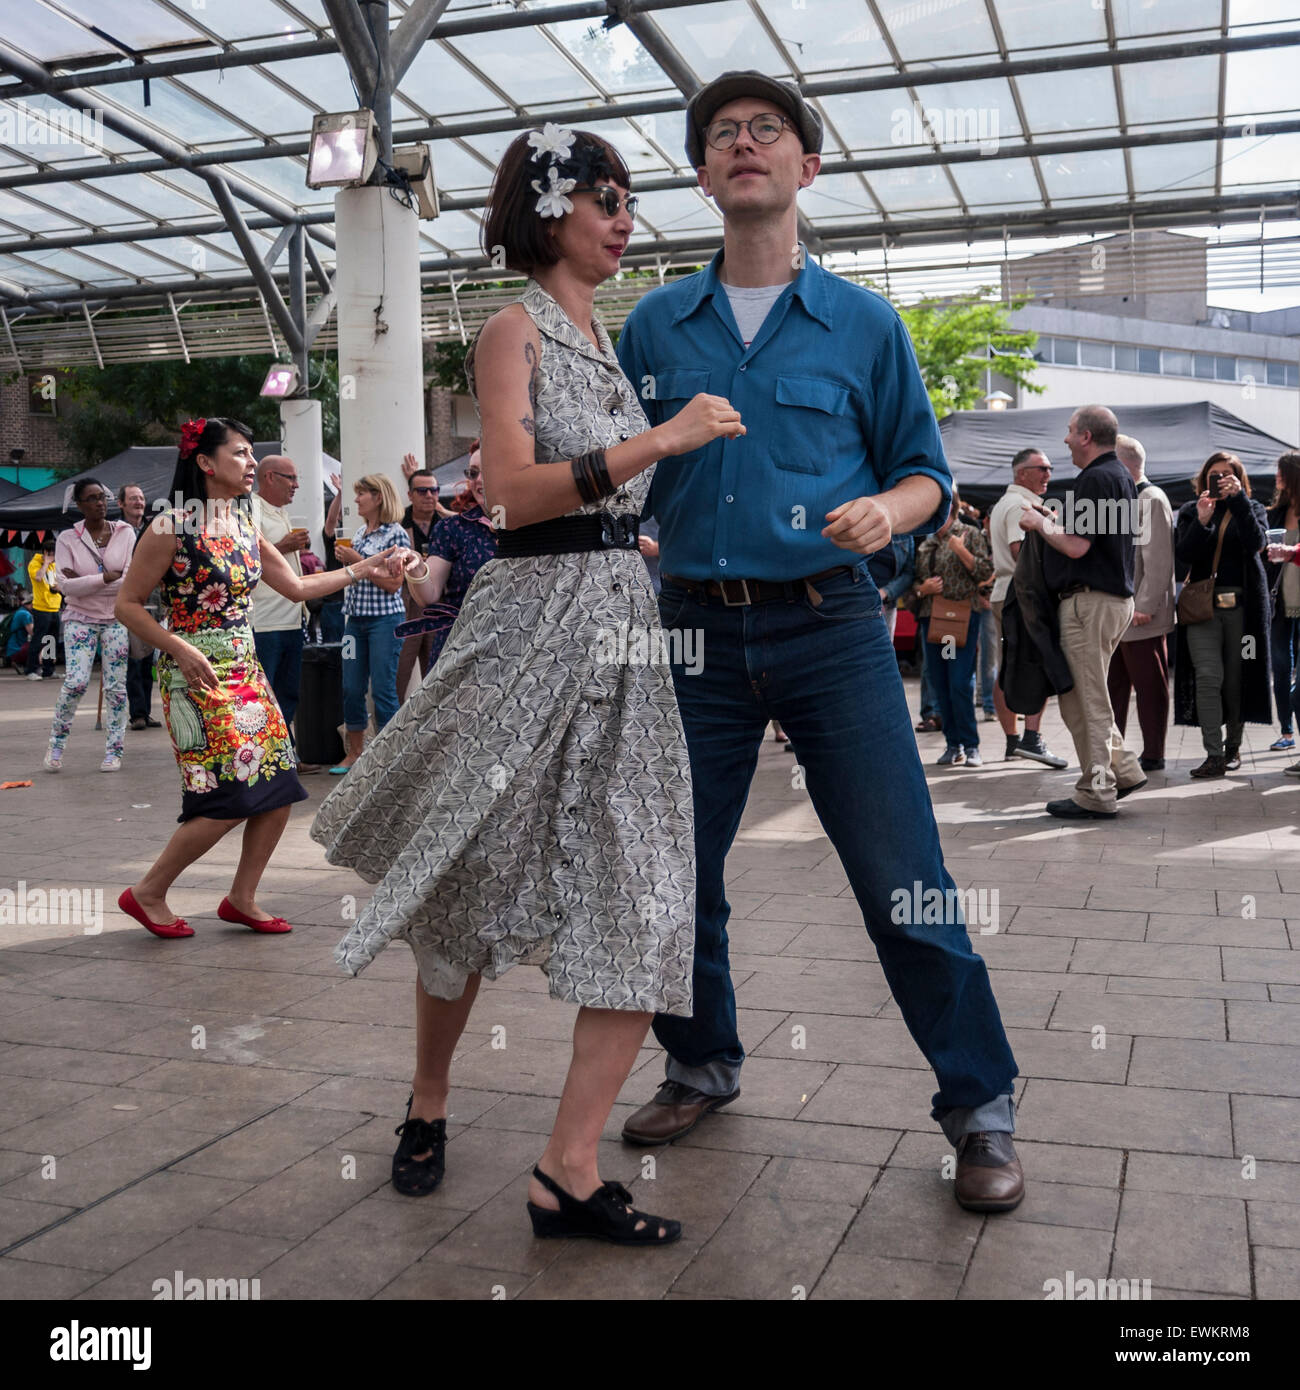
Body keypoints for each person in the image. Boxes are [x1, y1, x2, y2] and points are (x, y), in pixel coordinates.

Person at [312, 124, 746, 1243]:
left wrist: (643, 536)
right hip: (526, 625)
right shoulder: (515, 331)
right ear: (551, 210)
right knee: (468, 871)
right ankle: (430, 1097)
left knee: (652, 887)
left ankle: (567, 1165)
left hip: (622, 631)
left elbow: (591, 503)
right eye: (607, 196)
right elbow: (505, 493)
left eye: (631, 198)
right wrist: (661, 443)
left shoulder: (607, 345)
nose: (624, 217)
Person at [615, 71, 1022, 1212]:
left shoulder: (865, 324)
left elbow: (927, 474)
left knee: (905, 880)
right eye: (721, 137)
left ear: (807, 167)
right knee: (668, 870)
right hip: (689, 632)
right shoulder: (653, 325)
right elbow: (625, 479)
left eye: (767, 132)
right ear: (701, 176)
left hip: (834, 629)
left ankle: (978, 1107)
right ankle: (698, 1059)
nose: (744, 146)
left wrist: (889, 513)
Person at [113, 416, 402, 939]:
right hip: (194, 674)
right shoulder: (170, 526)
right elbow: (127, 605)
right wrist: (177, 647)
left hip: (246, 669)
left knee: (279, 786)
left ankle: (241, 898)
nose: (251, 463)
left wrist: (368, 566)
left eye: (251, 454)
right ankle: (148, 891)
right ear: (205, 462)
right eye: (241, 453)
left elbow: (295, 586)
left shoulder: (245, 524)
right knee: (228, 794)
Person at [1017, 406, 1145, 818]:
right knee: (1086, 695)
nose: (1067, 439)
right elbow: (1089, 538)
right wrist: (1054, 521)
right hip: (1110, 602)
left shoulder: (1095, 478)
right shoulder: (1119, 475)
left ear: (1087, 436)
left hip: (1090, 604)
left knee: (1086, 700)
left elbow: (1077, 546)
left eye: (1071, 432)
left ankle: (1097, 792)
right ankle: (1122, 771)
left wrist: (1039, 525)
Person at [1173, 451, 1271, 778]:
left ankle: (1233, 748)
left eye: (1227, 474)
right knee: (1207, 677)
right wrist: (1202, 521)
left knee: (1235, 680)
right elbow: (1183, 557)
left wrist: (1239, 500)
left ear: (1239, 478)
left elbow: (1257, 543)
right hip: (1203, 610)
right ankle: (1213, 754)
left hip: (1244, 612)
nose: (1220, 479)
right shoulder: (1191, 511)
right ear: (1204, 480)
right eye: (1214, 474)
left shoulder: (1252, 508)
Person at [45, 478, 135, 773]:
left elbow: (130, 579)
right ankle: (56, 745)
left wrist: (85, 582)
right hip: (79, 617)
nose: (99, 503)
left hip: (116, 618)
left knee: (116, 688)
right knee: (76, 682)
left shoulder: (125, 532)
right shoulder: (67, 539)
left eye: (102, 497)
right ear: (79, 505)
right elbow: (65, 586)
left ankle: (114, 750)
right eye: (91, 498)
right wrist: (104, 578)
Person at [987, 448, 1067, 767]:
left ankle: (1013, 742)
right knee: (1034, 663)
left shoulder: (1005, 503)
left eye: (1049, 468)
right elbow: (1022, 552)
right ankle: (1030, 739)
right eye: (1042, 468)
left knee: (1007, 666)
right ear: (1022, 473)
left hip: (1006, 593)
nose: (1049, 473)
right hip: (1021, 596)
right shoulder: (1022, 505)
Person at [327, 473, 408, 772]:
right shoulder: (360, 533)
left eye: (362, 493)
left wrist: (357, 559)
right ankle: (356, 753)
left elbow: (394, 584)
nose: (357, 499)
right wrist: (352, 560)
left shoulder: (395, 534)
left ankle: (389, 758)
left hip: (385, 622)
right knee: (350, 687)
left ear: (379, 497)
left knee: (383, 688)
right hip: (354, 623)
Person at [1106, 434, 1175, 772]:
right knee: (1114, 686)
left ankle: (1154, 753)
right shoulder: (1127, 499)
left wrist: (1145, 606)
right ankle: (1113, 753)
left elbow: (1159, 560)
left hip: (1142, 615)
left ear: (1124, 464)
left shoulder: (1151, 499)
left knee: (1150, 686)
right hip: (1121, 613)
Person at [400, 440, 498, 671]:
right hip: (463, 652)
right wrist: (415, 569)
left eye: (489, 469)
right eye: (473, 473)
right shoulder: (453, 529)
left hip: (519, 652)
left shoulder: (533, 526)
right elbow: (429, 594)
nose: (479, 481)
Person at [912, 489, 994, 766]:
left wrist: (961, 552)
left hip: (958, 620)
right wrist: (922, 590)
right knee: (941, 684)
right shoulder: (926, 541)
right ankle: (952, 744)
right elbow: (914, 581)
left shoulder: (968, 534)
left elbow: (985, 571)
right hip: (931, 619)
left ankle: (971, 746)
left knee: (959, 682)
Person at [250, 455, 309, 736]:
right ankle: (264, 760)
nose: (296, 485)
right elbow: (245, 558)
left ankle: (286, 757)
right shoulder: (251, 507)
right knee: (265, 695)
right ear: (269, 477)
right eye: (291, 478)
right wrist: (285, 545)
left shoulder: (279, 511)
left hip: (292, 620)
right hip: (265, 622)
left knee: (288, 694)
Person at [395, 457, 447, 695]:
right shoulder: (398, 524)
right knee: (398, 673)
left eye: (434, 490)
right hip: (408, 606)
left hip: (441, 607)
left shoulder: (448, 524)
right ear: (410, 494)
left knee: (437, 676)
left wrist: (443, 509)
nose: (429, 495)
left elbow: (480, 522)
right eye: (422, 490)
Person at [117, 482, 162, 729]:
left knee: (148, 662)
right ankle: (137, 714)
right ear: (121, 504)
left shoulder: (151, 528)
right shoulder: (116, 532)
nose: (139, 502)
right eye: (133, 498)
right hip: (132, 602)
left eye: (141, 498)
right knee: (134, 660)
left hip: (154, 602)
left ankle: (145, 710)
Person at [1265, 451, 1300, 751]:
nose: (1276, 477)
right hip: (1280, 602)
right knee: (1280, 666)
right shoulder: (1275, 512)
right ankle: (1287, 732)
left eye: (1281, 472)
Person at [25, 538, 61, 679]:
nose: (55, 558)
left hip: (54, 607)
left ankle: (48, 670)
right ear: (46, 552)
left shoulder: (54, 565)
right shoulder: (35, 563)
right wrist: (46, 562)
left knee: (51, 640)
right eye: (53, 555)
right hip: (41, 607)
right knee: (38, 639)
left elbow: (54, 583)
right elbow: (39, 577)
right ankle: (31, 670)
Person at [5, 595, 32, 669]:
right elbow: (33, 633)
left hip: (12, 648)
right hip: (17, 650)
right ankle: (34, 667)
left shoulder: (20, 611)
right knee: (44, 641)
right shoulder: (25, 614)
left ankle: (22, 663)